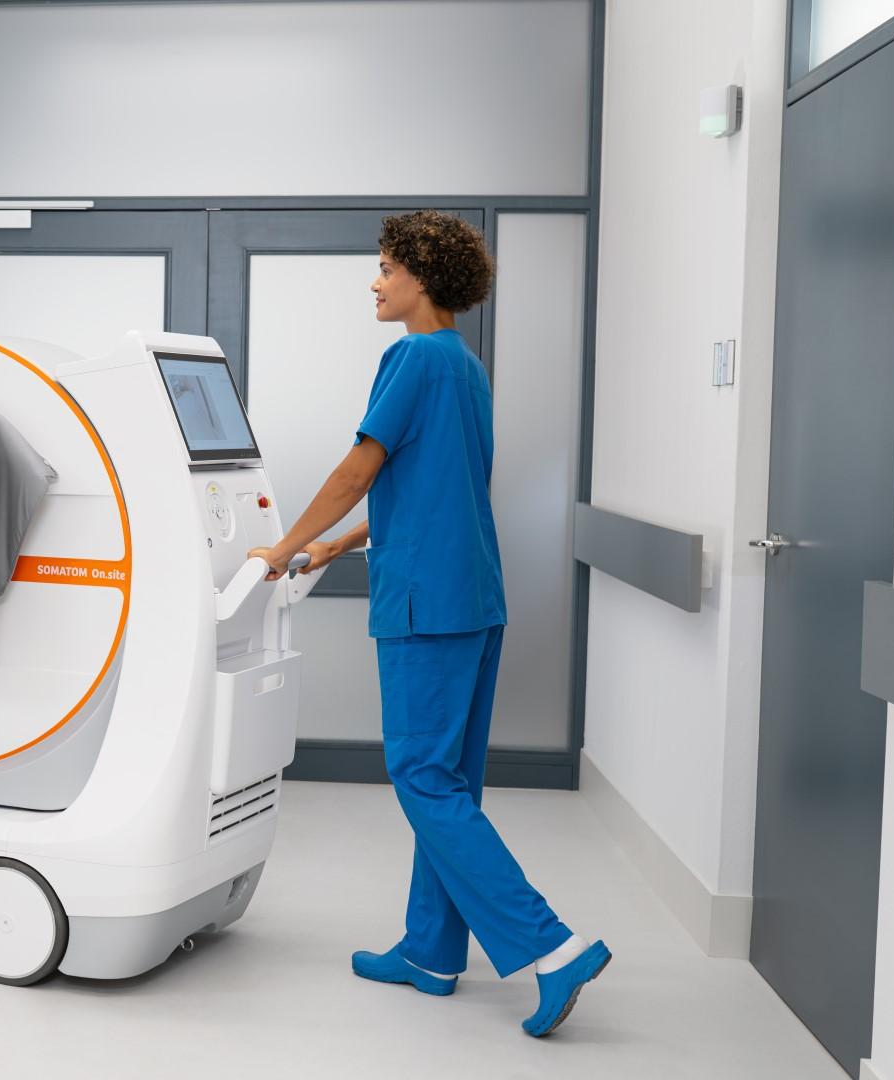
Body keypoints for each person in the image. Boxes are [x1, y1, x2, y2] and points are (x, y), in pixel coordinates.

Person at [249, 210, 609, 1038]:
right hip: (473, 596)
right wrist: (341, 543)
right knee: (450, 780)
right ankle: (431, 952)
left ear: (423, 275)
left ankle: (551, 947)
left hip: (427, 603)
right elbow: (429, 484)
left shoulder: (410, 358)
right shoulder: (465, 368)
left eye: (386, 267)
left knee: (422, 777)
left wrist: (285, 546)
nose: (375, 282)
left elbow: (360, 468)